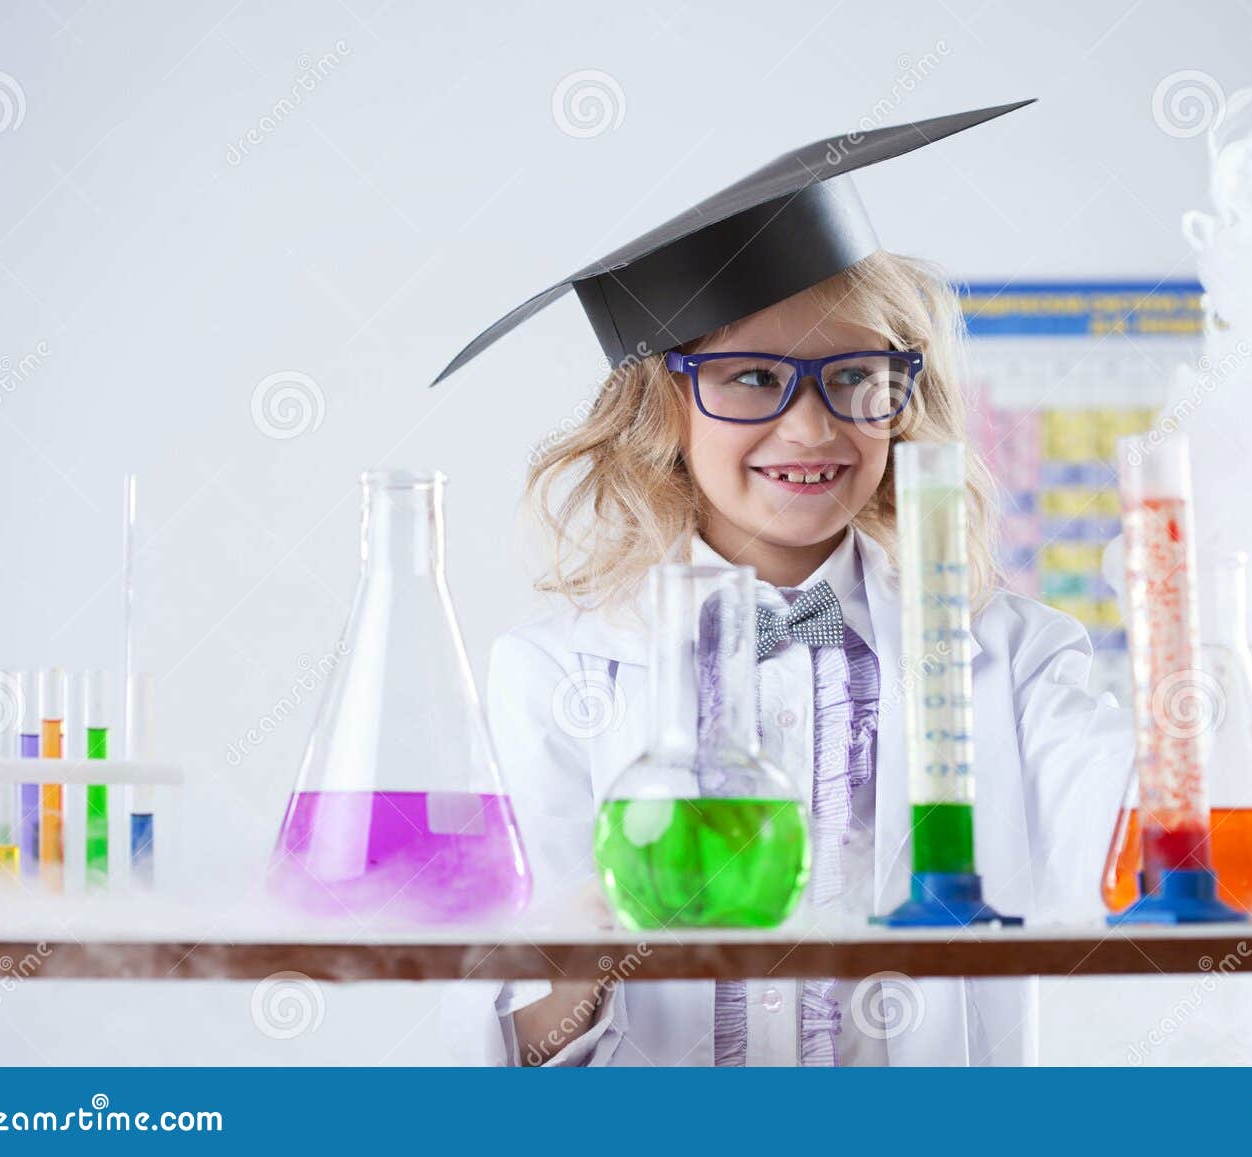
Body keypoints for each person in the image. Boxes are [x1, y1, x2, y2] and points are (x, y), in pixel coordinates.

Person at [437, 104, 1133, 1066]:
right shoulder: (555, 675)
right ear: (663, 406)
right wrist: (590, 936)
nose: (812, 429)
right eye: (754, 377)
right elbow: (520, 1051)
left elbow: (1136, 836)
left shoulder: (1013, 656)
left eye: (854, 377)